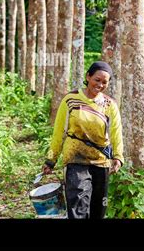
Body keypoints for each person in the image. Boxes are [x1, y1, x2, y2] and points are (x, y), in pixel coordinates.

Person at [42, 61, 124, 219]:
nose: (100, 85)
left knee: (98, 209)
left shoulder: (110, 105)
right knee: (78, 207)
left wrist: (118, 157)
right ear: (88, 76)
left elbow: (116, 132)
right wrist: (51, 160)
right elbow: (59, 132)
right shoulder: (70, 100)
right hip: (75, 159)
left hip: (101, 162)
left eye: (104, 82)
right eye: (97, 80)